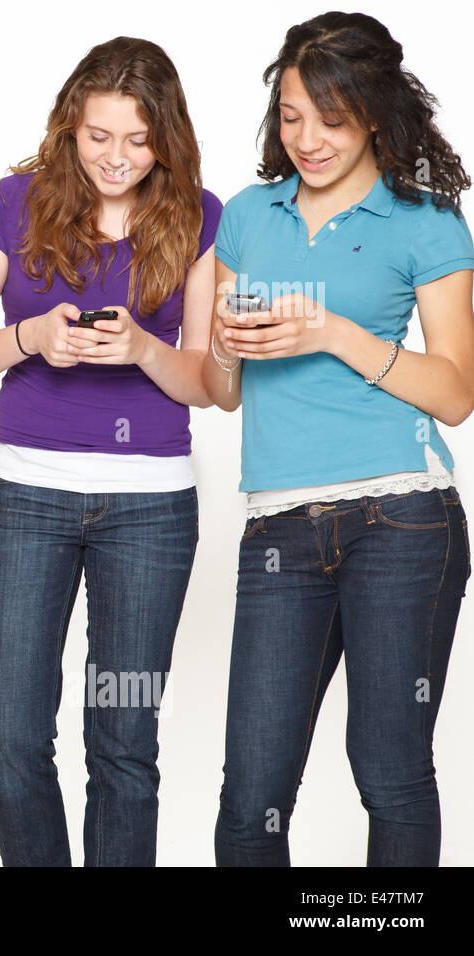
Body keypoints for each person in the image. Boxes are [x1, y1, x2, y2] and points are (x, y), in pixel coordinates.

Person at [0, 36, 220, 866]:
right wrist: (27, 337)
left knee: (124, 741)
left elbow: (206, 379)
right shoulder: (7, 205)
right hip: (25, 499)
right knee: (12, 734)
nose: (117, 158)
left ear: (165, 136)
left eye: (137, 140)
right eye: (99, 137)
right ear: (69, 126)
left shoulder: (202, 217)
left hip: (151, 510)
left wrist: (140, 351)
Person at [204, 12, 474, 866]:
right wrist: (217, 342)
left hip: (402, 519)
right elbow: (220, 392)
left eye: (332, 118)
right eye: (290, 116)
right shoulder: (247, 216)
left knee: (389, 773)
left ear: (373, 114)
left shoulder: (425, 222)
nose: (309, 138)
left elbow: (458, 392)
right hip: (279, 526)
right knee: (250, 801)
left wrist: (333, 333)